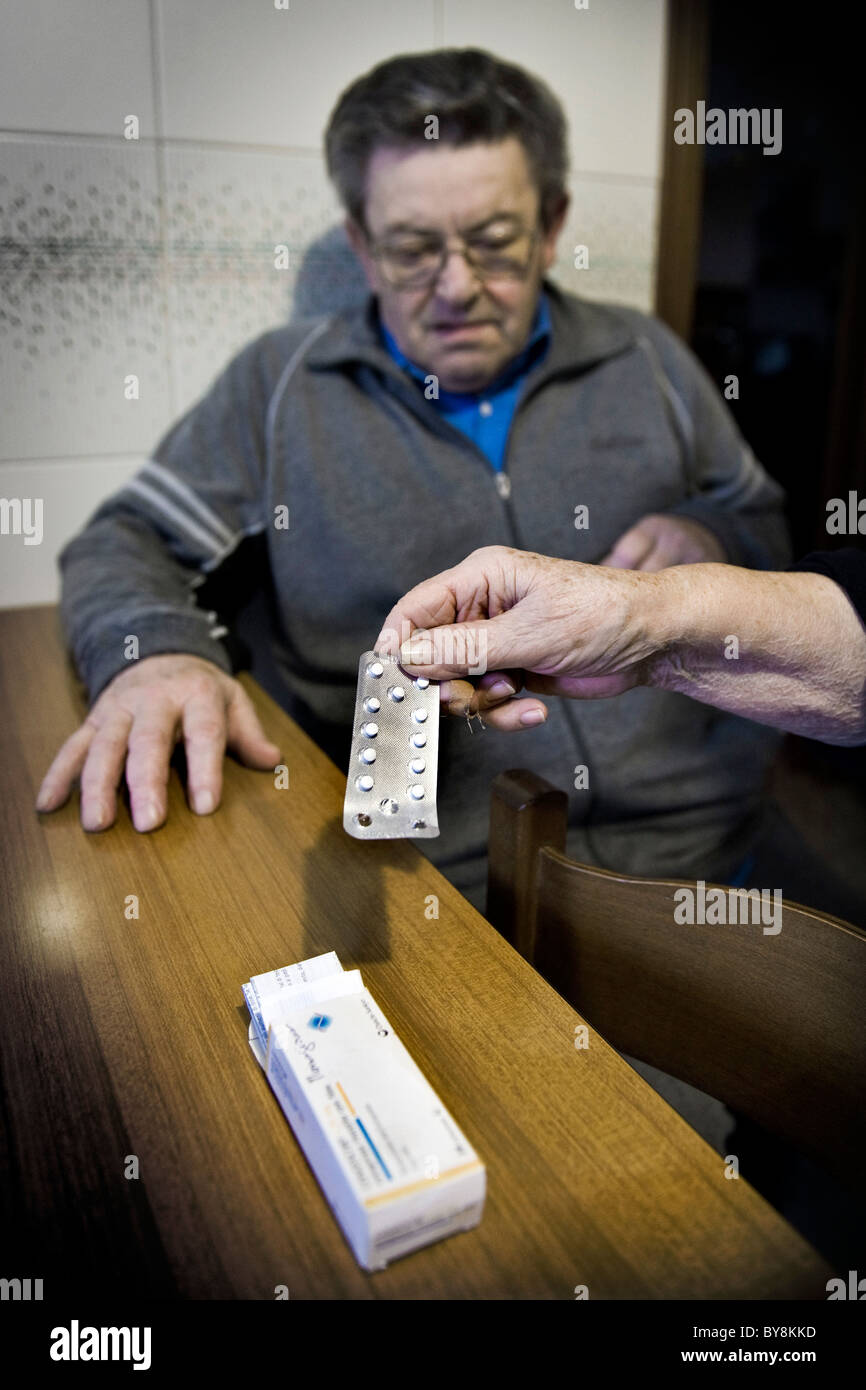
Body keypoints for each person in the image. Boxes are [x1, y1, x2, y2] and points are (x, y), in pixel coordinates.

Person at [40, 48, 791, 916]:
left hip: (701, 856)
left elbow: (763, 519)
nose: (458, 287)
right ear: (360, 244)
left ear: (551, 226)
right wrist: (157, 651)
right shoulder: (281, 386)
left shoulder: (648, 355)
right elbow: (123, 539)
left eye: (496, 243)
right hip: (430, 888)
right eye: (411, 249)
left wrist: (711, 534)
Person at [379, 545, 866, 745]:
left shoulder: (651, 357)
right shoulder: (308, 388)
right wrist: (654, 651)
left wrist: (702, 531)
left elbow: (756, 510)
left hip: (700, 840)